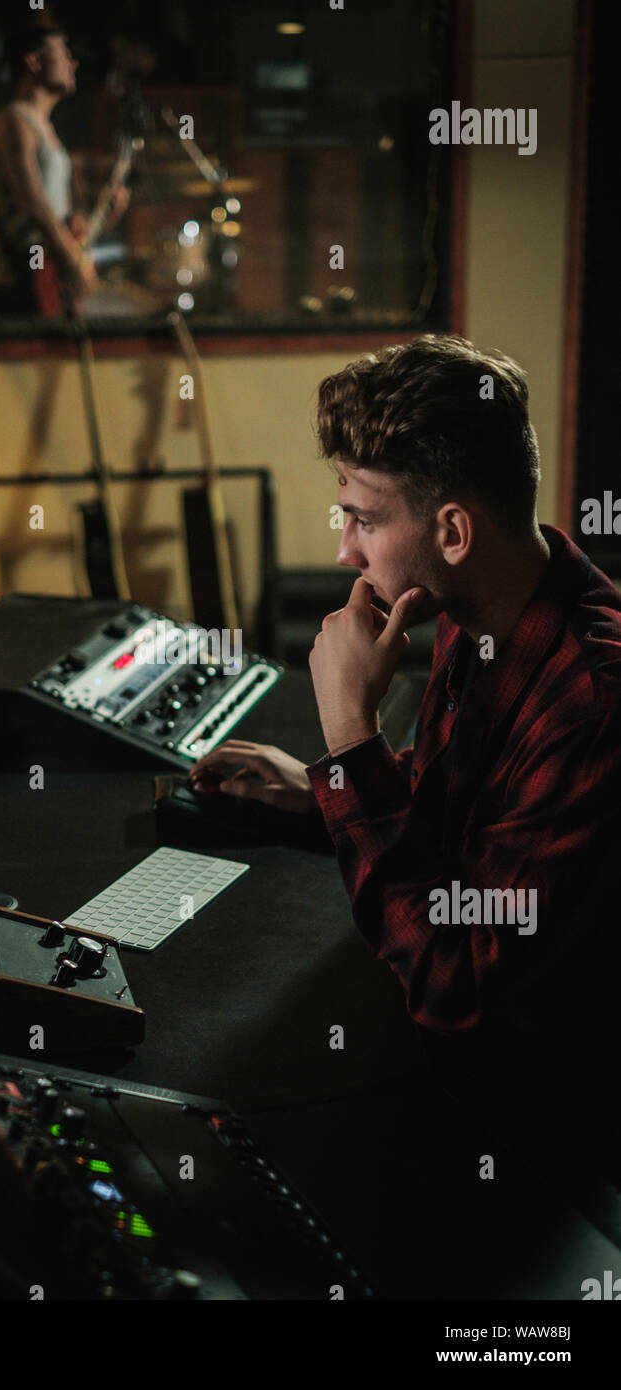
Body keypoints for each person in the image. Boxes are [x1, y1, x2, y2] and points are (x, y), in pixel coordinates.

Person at [190, 335, 621, 1151]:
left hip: (542, 1132)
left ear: (453, 530)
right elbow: (478, 811)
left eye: (361, 519)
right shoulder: (490, 604)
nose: (344, 551)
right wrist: (335, 785)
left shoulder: (595, 708)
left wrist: (352, 737)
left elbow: (458, 988)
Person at [0, 19, 129, 316]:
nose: (72, 63)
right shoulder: (14, 121)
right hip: (24, 279)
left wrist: (103, 219)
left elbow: (62, 218)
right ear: (34, 61)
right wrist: (73, 262)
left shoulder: (47, 130)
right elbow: (33, 202)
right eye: (63, 54)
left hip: (51, 275)